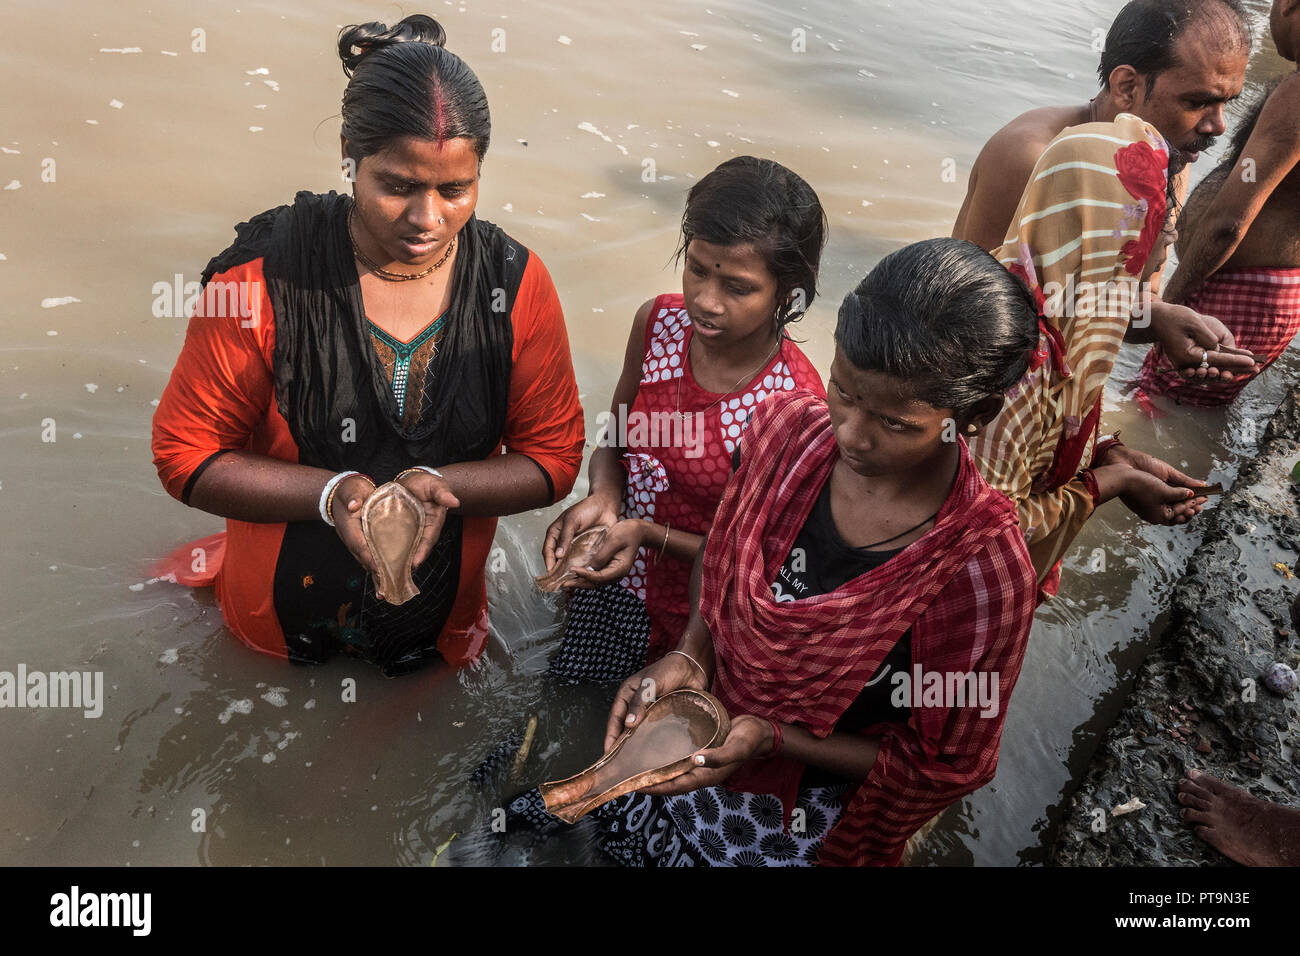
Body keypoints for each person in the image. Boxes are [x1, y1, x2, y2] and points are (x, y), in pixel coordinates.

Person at [151, 15, 584, 673]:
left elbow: (552, 456)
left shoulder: (516, 285)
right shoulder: (264, 281)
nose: (425, 219)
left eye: (454, 190)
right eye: (398, 186)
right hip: (270, 633)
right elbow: (185, 454)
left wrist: (442, 485)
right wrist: (332, 495)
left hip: (440, 632)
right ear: (350, 154)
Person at [596, 238, 1041, 867]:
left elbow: (943, 764)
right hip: (696, 739)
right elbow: (721, 564)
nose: (851, 435)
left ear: (976, 414)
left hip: (798, 810)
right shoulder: (783, 434)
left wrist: (775, 739)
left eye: (895, 423)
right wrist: (691, 656)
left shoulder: (979, 569)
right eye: (844, 392)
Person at [542, 156, 826, 683]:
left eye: (738, 288)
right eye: (696, 268)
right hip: (614, 579)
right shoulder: (658, 324)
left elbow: (762, 563)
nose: (705, 301)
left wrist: (649, 534)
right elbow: (618, 434)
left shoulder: (793, 405)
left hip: (701, 623)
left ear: (787, 294)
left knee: (644, 747)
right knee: (562, 704)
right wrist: (604, 495)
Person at [969, 114, 1212, 600]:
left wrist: (1108, 455)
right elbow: (982, 537)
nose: (1165, 250)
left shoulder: (1056, 319)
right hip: (966, 605)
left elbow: (1029, 447)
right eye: (1157, 234)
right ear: (1109, 242)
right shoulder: (1015, 362)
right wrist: (1109, 484)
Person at [952, 0, 1258, 384]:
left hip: (1066, 385)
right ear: (1127, 86)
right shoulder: (1033, 158)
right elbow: (971, 316)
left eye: (1227, 102)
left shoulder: (1169, 157)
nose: (1218, 126)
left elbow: (1131, 296)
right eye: (1197, 102)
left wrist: (1162, 321)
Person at [1136, 0, 1300, 407]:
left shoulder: (1297, 94)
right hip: (1274, 291)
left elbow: (1228, 222)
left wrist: (1168, 305)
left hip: (1240, 286)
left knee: (1159, 402)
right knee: (1196, 403)